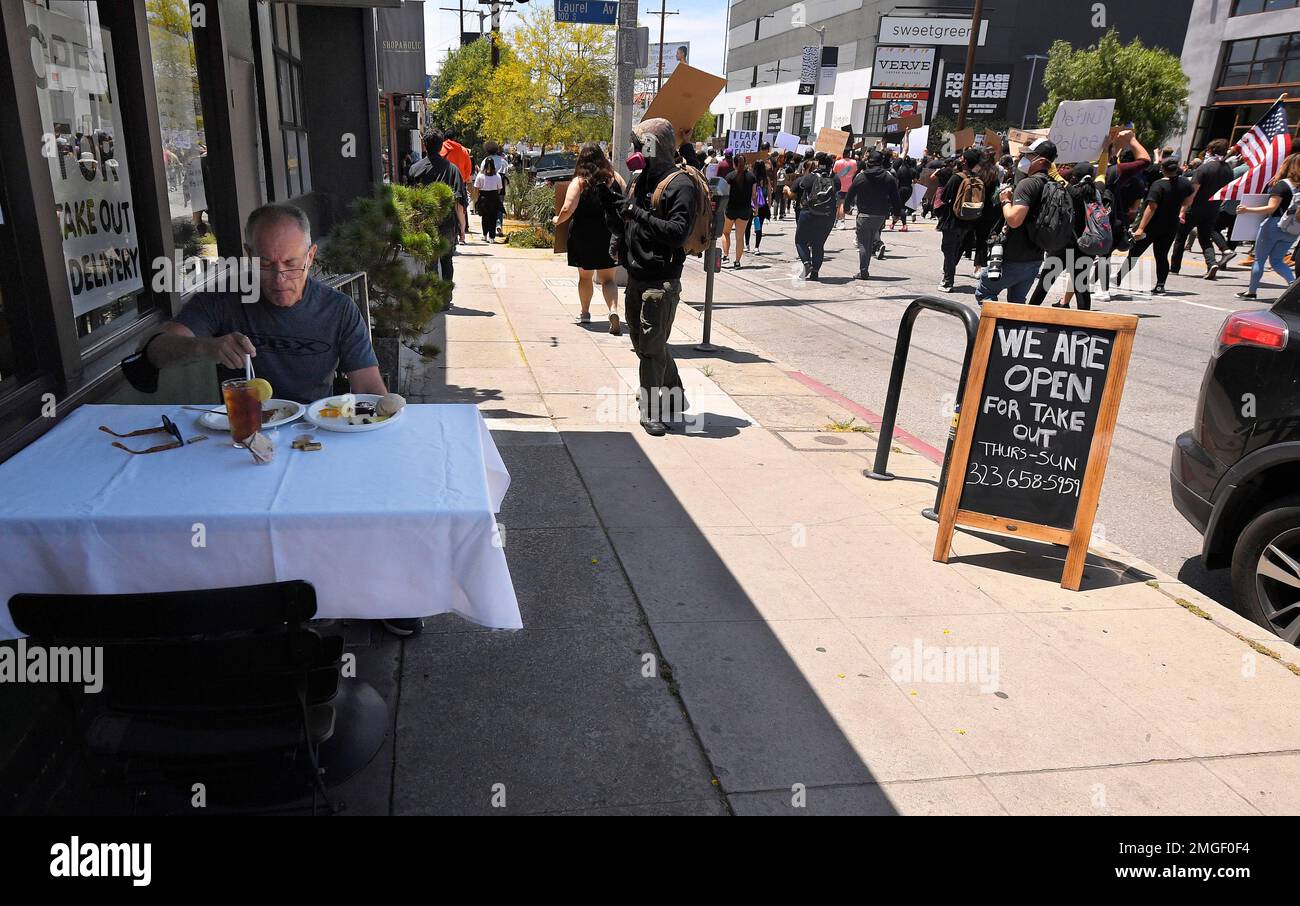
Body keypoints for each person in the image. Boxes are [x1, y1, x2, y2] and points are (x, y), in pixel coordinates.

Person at [620, 117, 698, 437]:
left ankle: (652, 410)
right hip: (637, 276)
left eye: (640, 145)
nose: (635, 151)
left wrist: (637, 213)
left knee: (651, 348)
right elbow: (627, 219)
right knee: (644, 344)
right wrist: (618, 243)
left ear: (652, 147)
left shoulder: (680, 185)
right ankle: (675, 392)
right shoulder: (640, 180)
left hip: (660, 280)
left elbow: (677, 233)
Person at [553, 142, 625, 333]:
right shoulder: (615, 177)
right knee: (608, 279)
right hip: (609, 234)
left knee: (585, 277)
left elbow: (568, 208)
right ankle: (613, 310)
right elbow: (626, 201)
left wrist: (557, 220)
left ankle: (585, 313)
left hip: (583, 235)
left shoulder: (580, 181)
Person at [975, 139, 1058, 304]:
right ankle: (1009, 329)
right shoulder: (1052, 185)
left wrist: (1005, 200)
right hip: (1035, 256)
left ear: (1040, 160)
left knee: (984, 292)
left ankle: (994, 329)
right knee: (1016, 304)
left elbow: (1014, 220)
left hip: (1013, 255)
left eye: (1028, 155)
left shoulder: (1027, 184)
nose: (1022, 158)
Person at [1116, 157, 1192, 295]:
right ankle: (1160, 285)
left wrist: (1140, 228)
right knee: (1162, 255)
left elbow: (1151, 207)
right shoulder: (1185, 183)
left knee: (1134, 253)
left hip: (1153, 225)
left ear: (1163, 169)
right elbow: (1189, 199)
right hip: (1171, 225)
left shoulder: (1158, 185)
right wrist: (1182, 211)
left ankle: (1119, 278)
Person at [1235, 151, 1300, 300]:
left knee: (1259, 260)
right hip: (1293, 229)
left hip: (1274, 225)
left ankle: (1251, 292)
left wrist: (1247, 210)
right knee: (1277, 261)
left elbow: (1270, 208)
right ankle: (1293, 286)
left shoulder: (1282, 186)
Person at [410, 129, 469, 294]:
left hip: (425, 223)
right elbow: (459, 203)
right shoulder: (452, 170)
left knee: (430, 262)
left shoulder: (415, 169)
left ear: (424, 145)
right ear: (441, 145)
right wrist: (462, 227)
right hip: (447, 223)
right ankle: (444, 296)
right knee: (446, 260)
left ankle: (432, 295)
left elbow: (409, 201)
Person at [1173, 139, 1237, 280]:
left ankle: (1174, 268)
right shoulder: (1228, 170)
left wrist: (1183, 209)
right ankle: (1211, 263)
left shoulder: (1203, 168)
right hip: (1213, 208)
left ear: (1209, 150)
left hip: (1195, 207)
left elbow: (1193, 192)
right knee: (1205, 238)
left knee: (1181, 237)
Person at [844, 150, 901, 280]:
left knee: (864, 244)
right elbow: (895, 197)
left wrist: (847, 208)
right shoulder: (888, 177)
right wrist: (897, 214)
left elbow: (850, 194)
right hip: (880, 216)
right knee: (871, 239)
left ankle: (864, 271)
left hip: (864, 215)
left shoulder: (861, 177)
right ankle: (877, 245)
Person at [938, 149, 984, 292]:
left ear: (964, 161)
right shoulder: (978, 179)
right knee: (955, 248)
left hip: (952, 219)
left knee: (948, 250)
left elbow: (945, 197)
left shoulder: (956, 178)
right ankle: (948, 275)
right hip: (969, 220)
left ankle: (947, 281)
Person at [788, 153, 839, 281]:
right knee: (818, 244)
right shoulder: (835, 178)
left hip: (809, 213)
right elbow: (838, 189)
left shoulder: (810, 177)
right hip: (828, 215)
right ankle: (815, 273)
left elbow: (802, 185)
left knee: (800, 241)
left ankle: (806, 263)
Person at [721, 153, 755, 268]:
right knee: (740, 237)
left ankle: (725, 255)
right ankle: (737, 262)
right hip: (745, 209)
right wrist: (756, 207)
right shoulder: (751, 177)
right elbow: (754, 195)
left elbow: (726, 193)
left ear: (734, 164)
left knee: (725, 233)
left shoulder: (730, 176)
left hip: (731, 208)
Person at [473, 157, 504, 243]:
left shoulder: (480, 175)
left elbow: (476, 188)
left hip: (483, 198)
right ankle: (492, 237)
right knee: (493, 218)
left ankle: (484, 235)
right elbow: (499, 189)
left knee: (485, 217)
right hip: (493, 197)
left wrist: (477, 197)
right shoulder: (497, 176)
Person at [833, 152, 857, 227]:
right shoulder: (854, 162)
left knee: (839, 205)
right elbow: (854, 171)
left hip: (839, 185)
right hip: (849, 185)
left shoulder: (838, 162)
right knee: (843, 204)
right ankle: (840, 222)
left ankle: (837, 222)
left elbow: (834, 171)